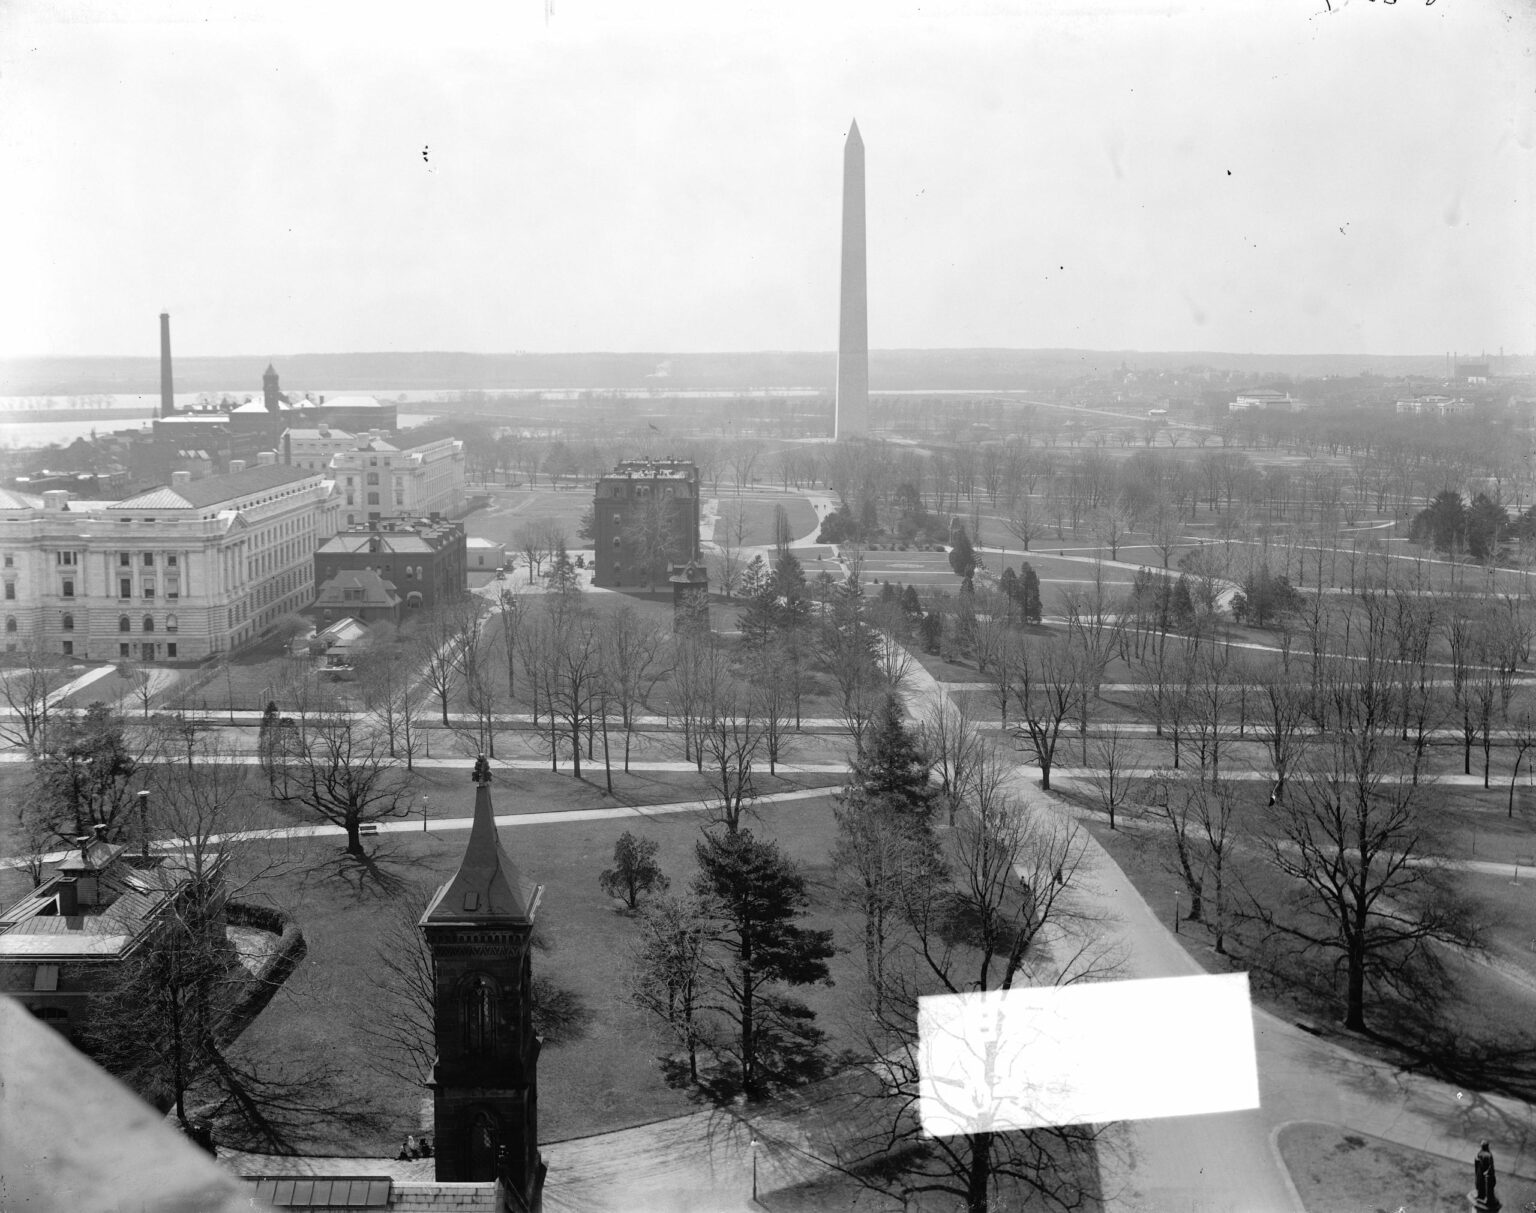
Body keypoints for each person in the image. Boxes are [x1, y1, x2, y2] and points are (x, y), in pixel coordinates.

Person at [1475, 1141, 1497, 1209]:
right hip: (1481, 1172)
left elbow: (1490, 1165)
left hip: (1485, 1174)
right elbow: (1478, 1161)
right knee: (1481, 1185)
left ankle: (1487, 1199)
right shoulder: (1482, 1153)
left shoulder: (1487, 1155)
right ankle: (1481, 1196)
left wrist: (1487, 1172)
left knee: (1486, 1186)